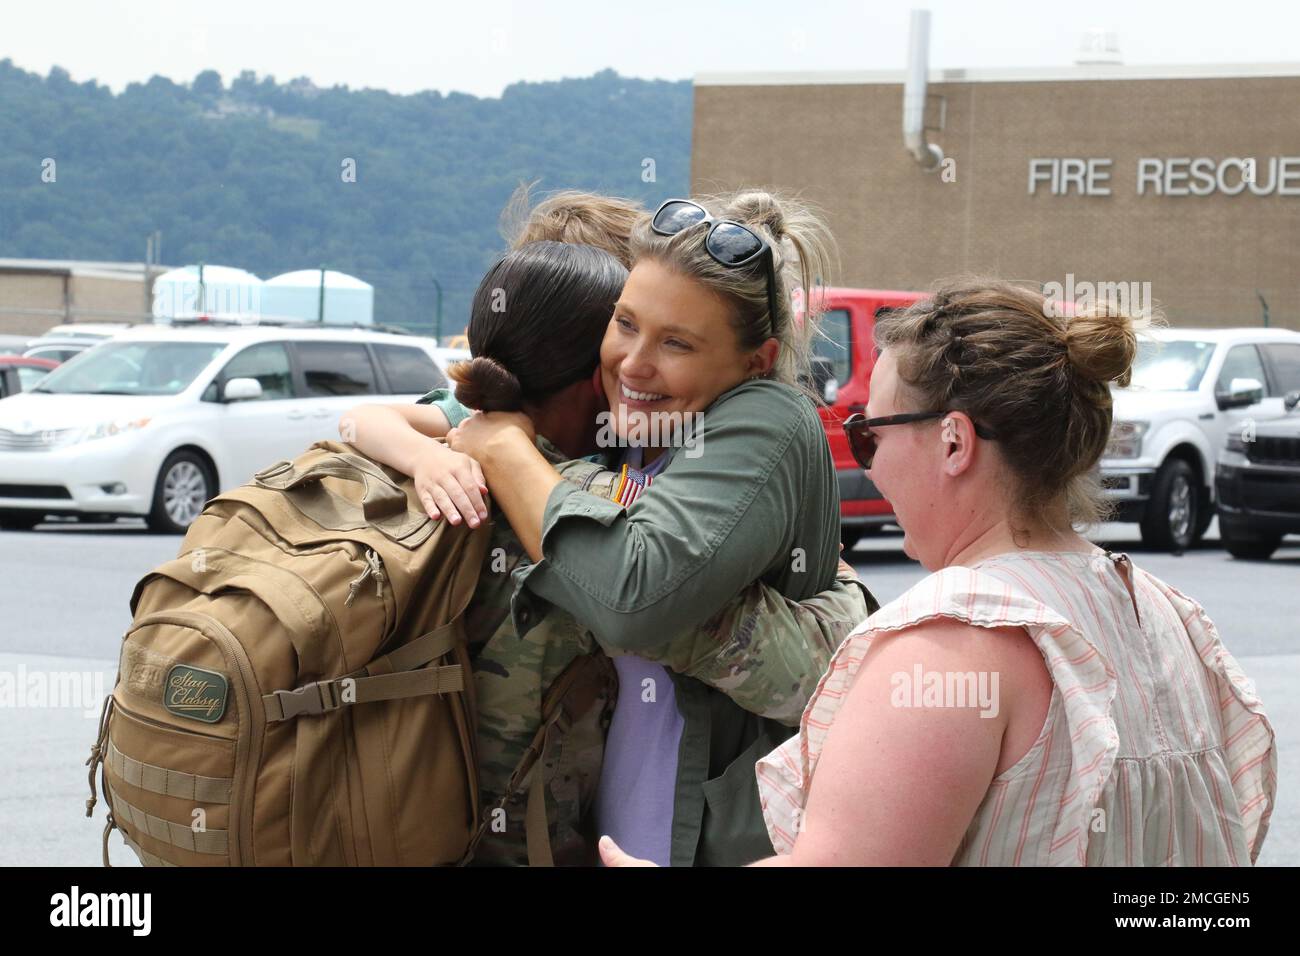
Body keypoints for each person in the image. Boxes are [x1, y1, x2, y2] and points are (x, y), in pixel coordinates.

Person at [603, 277, 1277, 866]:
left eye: (872, 434)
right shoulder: (1167, 615)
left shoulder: (948, 643)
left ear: (953, 442)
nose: (868, 464)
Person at [343, 208, 871, 865]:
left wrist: (504, 452)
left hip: (693, 841)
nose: (634, 364)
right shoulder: (618, 425)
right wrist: (434, 454)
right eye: (624, 325)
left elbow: (635, 595)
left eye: (677, 342)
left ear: (755, 361)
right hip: (588, 823)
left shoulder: (756, 417)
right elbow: (374, 418)